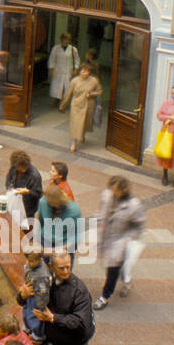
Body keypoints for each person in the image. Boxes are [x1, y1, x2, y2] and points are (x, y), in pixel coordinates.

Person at [93, 177, 145, 308]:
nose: (111, 192)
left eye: (114, 190)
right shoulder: (107, 196)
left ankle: (105, 296)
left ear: (123, 190)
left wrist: (130, 238)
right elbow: (102, 212)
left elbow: (139, 224)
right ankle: (126, 280)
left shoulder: (133, 205)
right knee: (114, 265)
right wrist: (97, 219)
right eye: (111, 188)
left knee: (113, 268)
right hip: (107, 238)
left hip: (121, 241)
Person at [59, 63, 103, 153]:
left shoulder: (94, 80)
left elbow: (99, 91)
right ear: (79, 71)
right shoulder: (74, 81)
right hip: (76, 105)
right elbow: (68, 93)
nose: (85, 73)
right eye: (83, 71)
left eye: (87, 71)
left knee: (85, 123)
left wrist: (92, 94)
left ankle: (82, 135)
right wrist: (63, 105)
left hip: (89, 105)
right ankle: (74, 143)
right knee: (76, 124)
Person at [36, 183, 83, 259]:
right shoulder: (43, 202)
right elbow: (40, 222)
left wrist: (54, 250)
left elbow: (77, 237)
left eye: (53, 203)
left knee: (62, 269)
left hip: (64, 246)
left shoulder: (74, 210)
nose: (48, 204)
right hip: (45, 242)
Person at [48, 33, 79, 102]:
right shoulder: (55, 48)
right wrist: (51, 69)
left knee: (67, 87)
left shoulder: (73, 49)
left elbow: (77, 59)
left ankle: (64, 101)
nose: (66, 41)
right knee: (57, 87)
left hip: (68, 71)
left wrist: (76, 69)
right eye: (65, 39)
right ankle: (56, 99)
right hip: (58, 71)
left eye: (68, 40)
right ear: (61, 39)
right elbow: (52, 59)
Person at [155, 83, 174, 185]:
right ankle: (165, 175)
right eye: (172, 93)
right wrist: (169, 118)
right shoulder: (167, 103)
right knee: (166, 154)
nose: (173, 95)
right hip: (167, 132)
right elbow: (159, 115)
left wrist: (170, 118)